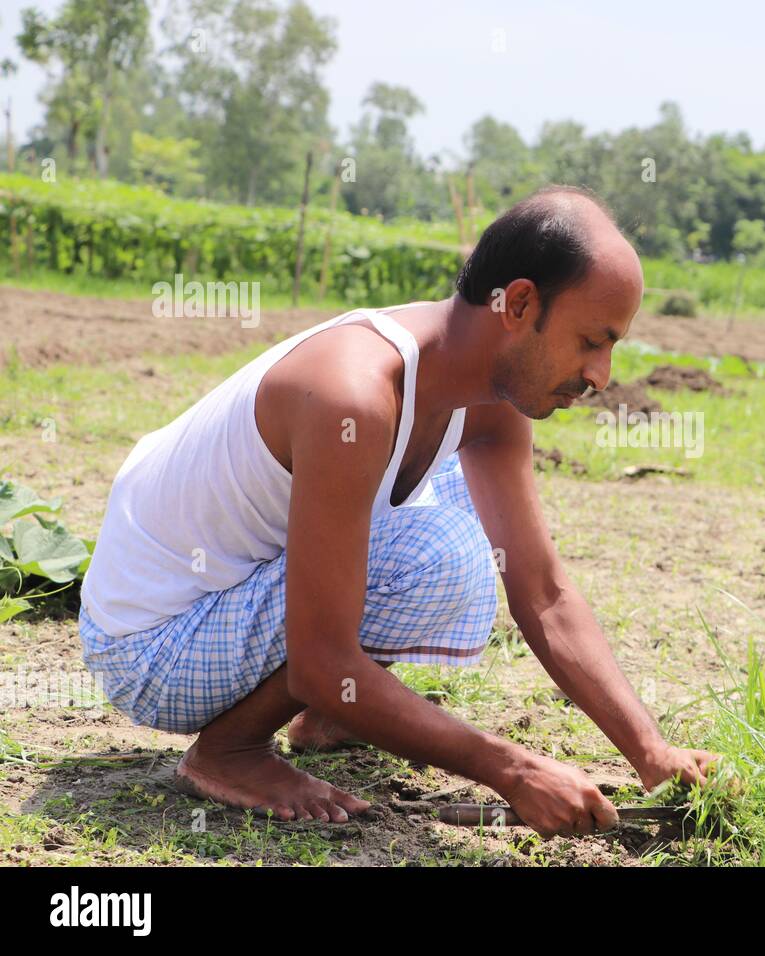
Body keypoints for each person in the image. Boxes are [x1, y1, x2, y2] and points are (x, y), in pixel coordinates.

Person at [78, 185, 717, 837]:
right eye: (591, 341)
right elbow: (321, 660)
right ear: (519, 303)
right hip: (152, 646)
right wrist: (516, 771)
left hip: (227, 605)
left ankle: (333, 714)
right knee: (438, 553)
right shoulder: (352, 396)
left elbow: (544, 594)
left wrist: (651, 752)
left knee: (460, 526)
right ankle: (231, 749)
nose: (602, 375)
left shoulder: (488, 398)